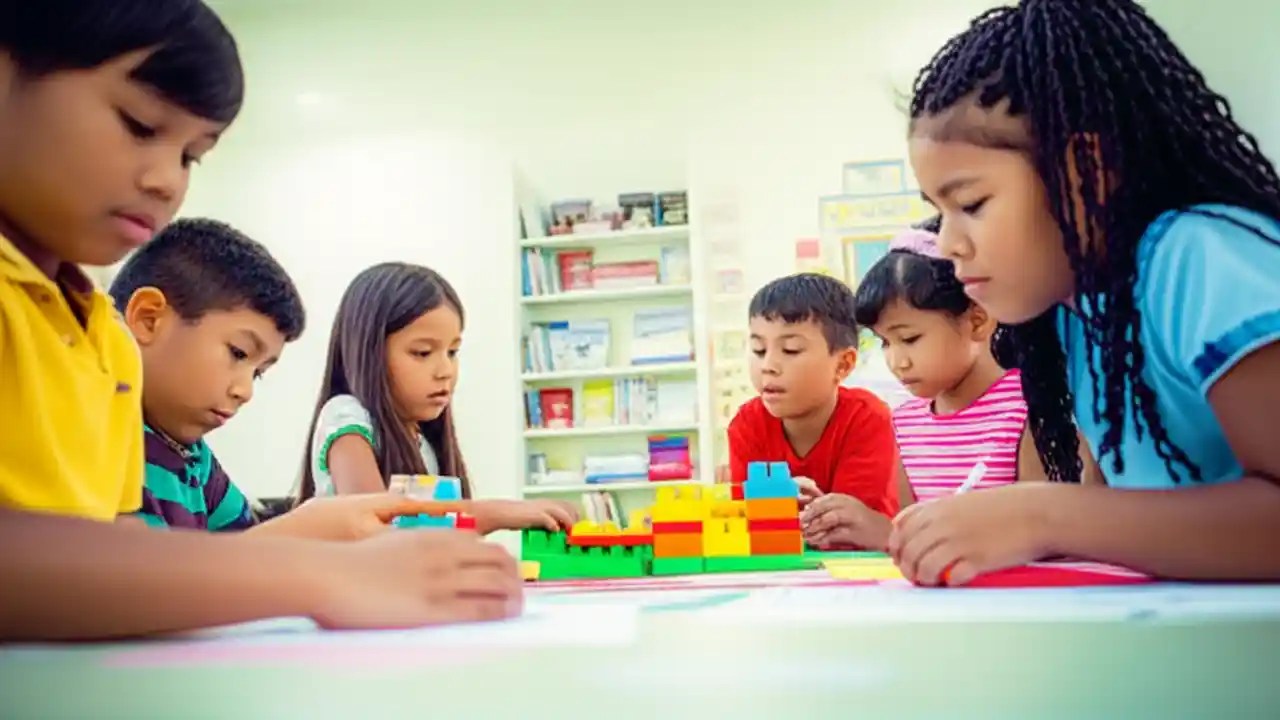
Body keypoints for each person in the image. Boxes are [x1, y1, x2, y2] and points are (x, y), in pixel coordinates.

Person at [0, 0, 518, 639]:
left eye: (192, 156)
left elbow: (122, 549)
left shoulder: (103, 339)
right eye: (137, 125)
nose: (166, 179)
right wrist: (323, 575)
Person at [890, 0, 1280, 585]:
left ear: (1085, 172)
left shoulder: (1196, 257)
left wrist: (1043, 514)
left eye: (970, 204)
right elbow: (1132, 516)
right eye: (938, 212)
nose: (947, 245)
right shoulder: (1078, 312)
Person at [298, 262, 577, 533]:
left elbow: (428, 540)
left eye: (452, 352)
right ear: (369, 353)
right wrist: (493, 513)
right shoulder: (346, 416)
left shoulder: (424, 443)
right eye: (422, 352)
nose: (446, 371)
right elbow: (373, 525)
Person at [728, 273, 899, 551]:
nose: (768, 365)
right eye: (759, 350)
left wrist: (780, 510)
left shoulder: (867, 418)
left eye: (790, 350)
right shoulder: (746, 424)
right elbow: (742, 520)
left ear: (843, 365)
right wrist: (775, 500)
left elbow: (849, 529)